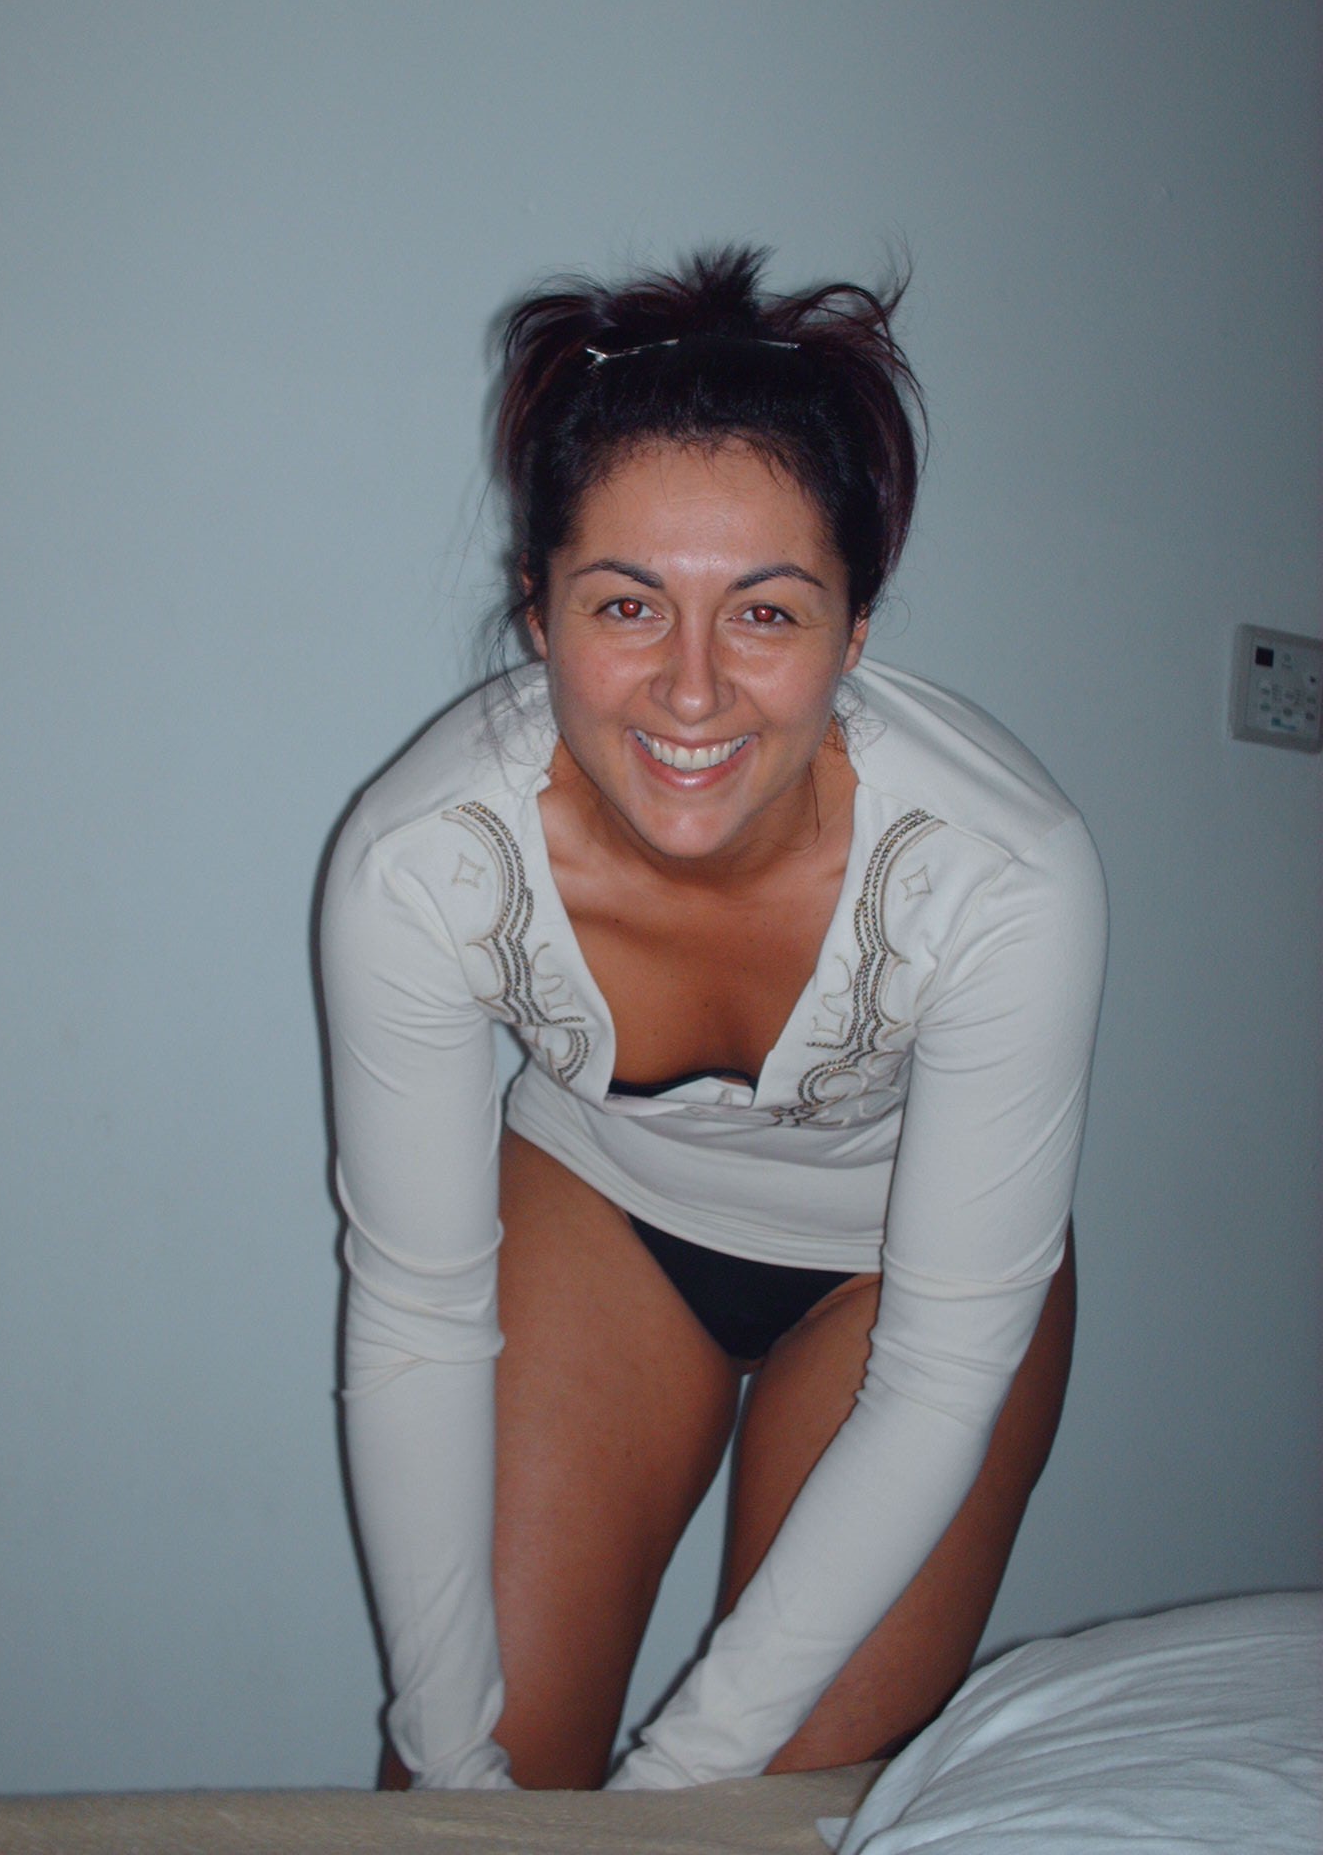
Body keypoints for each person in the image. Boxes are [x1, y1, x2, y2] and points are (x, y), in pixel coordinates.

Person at [320, 248, 1107, 1792]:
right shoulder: (421, 862)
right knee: (456, 1793)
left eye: (766, 612)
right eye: (628, 604)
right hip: (600, 1219)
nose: (692, 692)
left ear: (856, 632)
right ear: (537, 611)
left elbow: (945, 1371)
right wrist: (447, 1776)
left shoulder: (1005, 872)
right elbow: (413, 1315)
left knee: (763, 1817)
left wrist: (676, 1796)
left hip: (904, 1285)